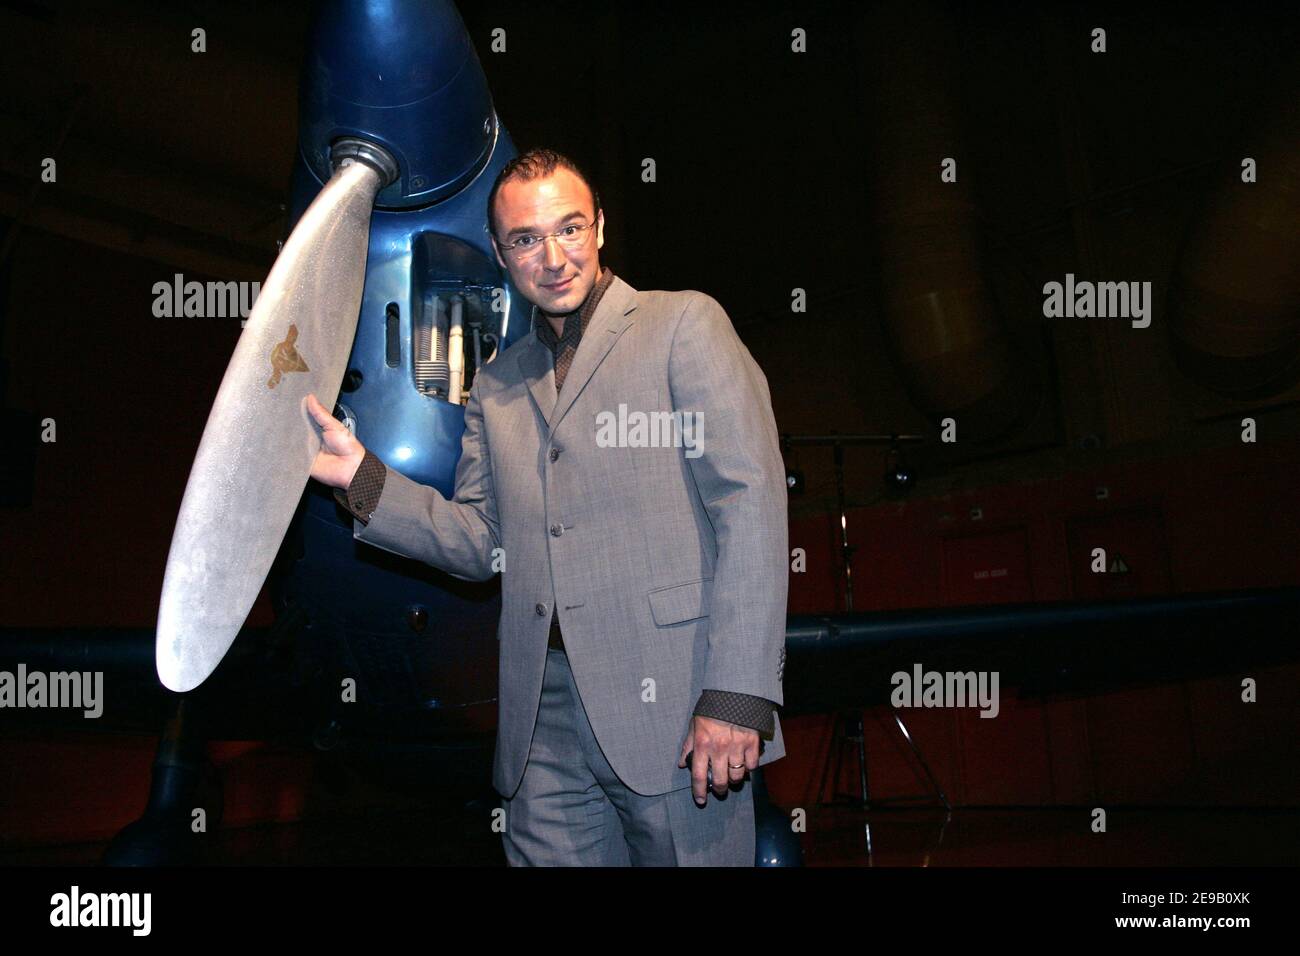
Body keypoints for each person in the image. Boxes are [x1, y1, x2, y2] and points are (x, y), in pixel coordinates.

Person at [307, 147, 788, 865]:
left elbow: (750, 507)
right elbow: (479, 540)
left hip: (678, 708)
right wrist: (362, 480)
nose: (554, 256)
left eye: (569, 229)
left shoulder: (684, 325)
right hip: (542, 721)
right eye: (527, 239)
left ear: (599, 228)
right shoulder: (496, 383)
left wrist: (737, 697)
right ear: (501, 254)